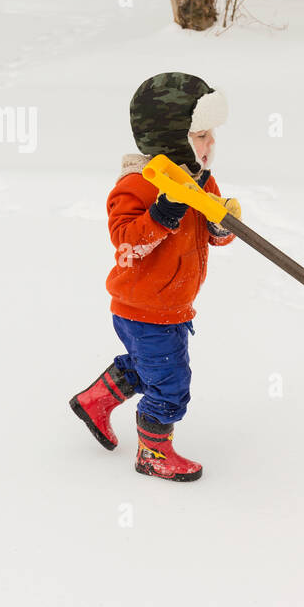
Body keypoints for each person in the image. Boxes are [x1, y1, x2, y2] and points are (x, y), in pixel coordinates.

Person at [69, 72, 241, 482]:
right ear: (170, 135)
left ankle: (94, 401)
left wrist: (222, 226)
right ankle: (153, 454)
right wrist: (162, 214)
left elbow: (209, 235)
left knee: (150, 369)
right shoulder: (138, 185)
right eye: (200, 135)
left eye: (211, 134)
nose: (210, 144)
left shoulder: (199, 180)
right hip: (144, 308)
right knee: (170, 384)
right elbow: (127, 243)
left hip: (172, 305)